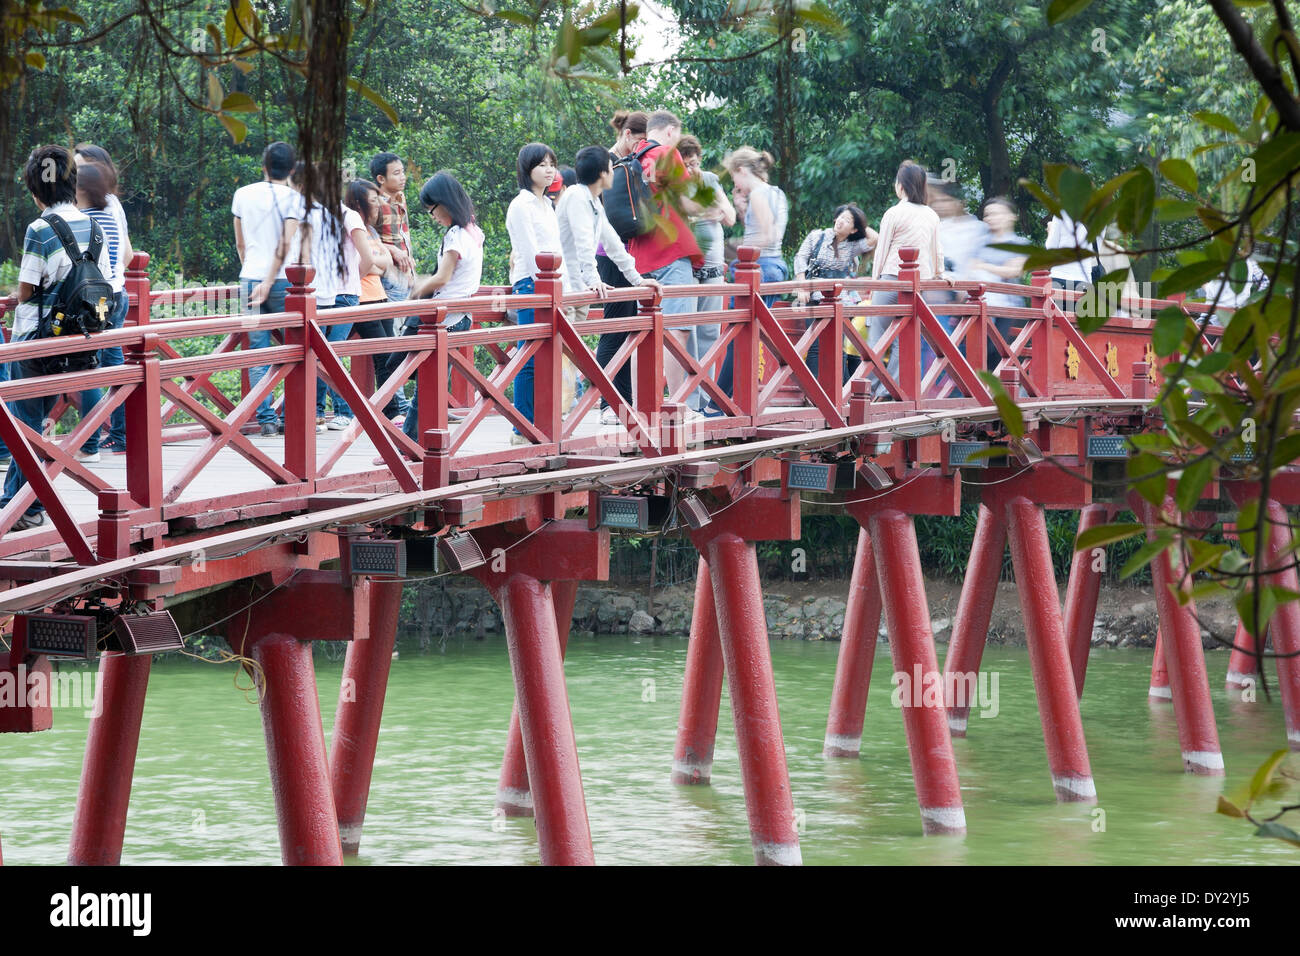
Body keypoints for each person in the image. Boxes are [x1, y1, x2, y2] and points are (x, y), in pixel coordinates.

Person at [4, 145, 113, 530]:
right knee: (35, 430)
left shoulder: (40, 229)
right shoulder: (95, 226)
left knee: (23, 429)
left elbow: (28, 291)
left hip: (34, 343)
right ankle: (24, 503)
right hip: (74, 342)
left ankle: (23, 507)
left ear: (36, 190)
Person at [557, 146, 660, 419]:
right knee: (564, 353)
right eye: (611, 168)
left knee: (571, 354)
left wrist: (639, 281)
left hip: (577, 289)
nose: (615, 173)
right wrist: (594, 279)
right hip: (566, 287)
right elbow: (581, 241)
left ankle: (603, 408)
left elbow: (613, 245)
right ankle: (597, 408)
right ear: (603, 173)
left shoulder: (592, 200)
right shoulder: (577, 197)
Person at [849, 160, 953, 398]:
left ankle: (874, 389)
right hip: (918, 285)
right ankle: (892, 389)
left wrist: (875, 286)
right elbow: (937, 251)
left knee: (879, 337)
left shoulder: (894, 213)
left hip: (891, 280)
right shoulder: (931, 215)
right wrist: (939, 274)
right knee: (904, 339)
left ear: (901, 186)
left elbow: (882, 250)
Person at [626, 110, 703, 416]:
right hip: (670, 252)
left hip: (639, 257)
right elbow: (690, 203)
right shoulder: (666, 155)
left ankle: (638, 406)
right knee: (677, 329)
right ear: (670, 131)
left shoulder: (632, 157)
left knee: (642, 333)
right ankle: (675, 405)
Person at [403, 171, 484, 441]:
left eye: (432, 209)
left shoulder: (455, 236)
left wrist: (415, 291)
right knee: (435, 381)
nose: (432, 216)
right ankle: (426, 440)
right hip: (461, 316)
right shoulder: (475, 231)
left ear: (445, 202)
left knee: (425, 384)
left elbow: (443, 277)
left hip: (443, 318)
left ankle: (408, 445)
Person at [292, 163, 373, 431]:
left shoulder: (349, 216)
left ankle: (344, 412)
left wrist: (348, 280)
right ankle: (315, 413)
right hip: (322, 293)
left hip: (345, 295)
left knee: (331, 355)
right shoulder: (317, 216)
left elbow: (368, 259)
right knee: (316, 355)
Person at [235, 141, 300, 436]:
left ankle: (266, 420)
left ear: (263, 166)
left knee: (257, 352)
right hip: (285, 282)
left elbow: (241, 243)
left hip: (248, 279)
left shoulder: (242, 194)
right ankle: (291, 415)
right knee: (294, 350)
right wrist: (270, 282)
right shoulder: (292, 198)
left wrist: (255, 276)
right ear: (292, 169)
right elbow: (285, 244)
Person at [66, 160, 127, 461]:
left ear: (81, 190)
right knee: (115, 367)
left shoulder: (84, 220)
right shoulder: (110, 213)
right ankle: (121, 434)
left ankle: (89, 445)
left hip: (95, 300)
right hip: (116, 293)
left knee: (87, 369)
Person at [593, 109, 649, 421]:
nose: (642, 147)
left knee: (627, 329)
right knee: (614, 330)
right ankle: (607, 403)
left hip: (627, 255)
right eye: (639, 141)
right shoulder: (606, 162)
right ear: (627, 135)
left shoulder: (630, 164)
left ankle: (621, 402)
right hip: (608, 254)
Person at [506, 143, 563, 444]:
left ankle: (542, 423)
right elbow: (529, 252)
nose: (549, 169)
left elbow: (557, 248)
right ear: (527, 169)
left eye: (552, 163)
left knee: (547, 356)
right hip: (532, 285)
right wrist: (542, 288)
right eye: (542, 164)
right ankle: (522, 428)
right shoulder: (521, 205)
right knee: (528, 356)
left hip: (552, 285)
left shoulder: (548, 204)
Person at [678, 135, 736, 413]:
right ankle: (690, 399)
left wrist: (708, 211)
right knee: (687, 330)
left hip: (713, 258)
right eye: (686, 164)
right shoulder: (673, 184)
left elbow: (729, 215)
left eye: (695, 162)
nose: (692, 168)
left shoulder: (709, 180)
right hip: (685, 260)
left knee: (710, 329)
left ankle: (708, 395)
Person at [343, 178, 407, 416]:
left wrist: (374, 264)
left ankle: (392, 408)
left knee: (387, 355)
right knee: (383, 356)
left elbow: (384, 262)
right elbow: (364, 263)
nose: (378, 205)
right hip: (362, 300)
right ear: (358, 202)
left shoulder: (369, 230)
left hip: (380, 297)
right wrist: (374, 264)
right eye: (372, 200)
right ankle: (390, 412)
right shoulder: (352, 227)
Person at [791, 202, 876, 376]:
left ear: (853, 230)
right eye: (841, 217)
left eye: (847, 220)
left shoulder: (852, 246)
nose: (841, 221)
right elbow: (801, 258)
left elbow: (875, 238)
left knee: (839, 344)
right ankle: (813, 393)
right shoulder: (817, 236)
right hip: (814, 294)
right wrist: (802, 286)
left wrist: (858, 220)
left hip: (841, 299)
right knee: (815, 344)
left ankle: (841, 392)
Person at [923, 180, 986, 384]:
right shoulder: (935, 225)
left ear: (960, 202)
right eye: (938, 201)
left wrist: (964, 285)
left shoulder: (976, 228)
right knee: (933, 335)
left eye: (946, 200)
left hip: (970, 292)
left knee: (960, 341)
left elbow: (977, 261)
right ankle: (935, 385)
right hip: (940, 290)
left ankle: (956, 385)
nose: (941, 205)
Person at [371, 151, 414, 417]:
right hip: (388, 276)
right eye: (396, 173)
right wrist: (392, 251)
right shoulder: (373, 202)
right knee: (393, 341)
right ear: (380, 178)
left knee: (402, 337)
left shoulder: (400, 199)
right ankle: (396, 402)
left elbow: (404, 237)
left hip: (405, 276)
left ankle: (402, 400)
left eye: (403, 171)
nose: (403, 177)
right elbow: (368, 237)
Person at [967, 197, 1029, 369]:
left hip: (1010, 309)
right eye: (988, 215)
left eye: (997, 214)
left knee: (1001, 355)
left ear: (1011, 216)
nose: (991, 218)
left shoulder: (1020, 244)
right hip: (981, 309)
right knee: (978, 355)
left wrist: (983, 266)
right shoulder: (980, 244)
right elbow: (971, 269)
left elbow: (1015, 271)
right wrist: (998, 269)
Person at [1045, 210, 1099, 315]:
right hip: (1084, 282)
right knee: (1077, 329)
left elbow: (1051, 248)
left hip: (1059, 279)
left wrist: (1050, 231)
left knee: (1054, 326)